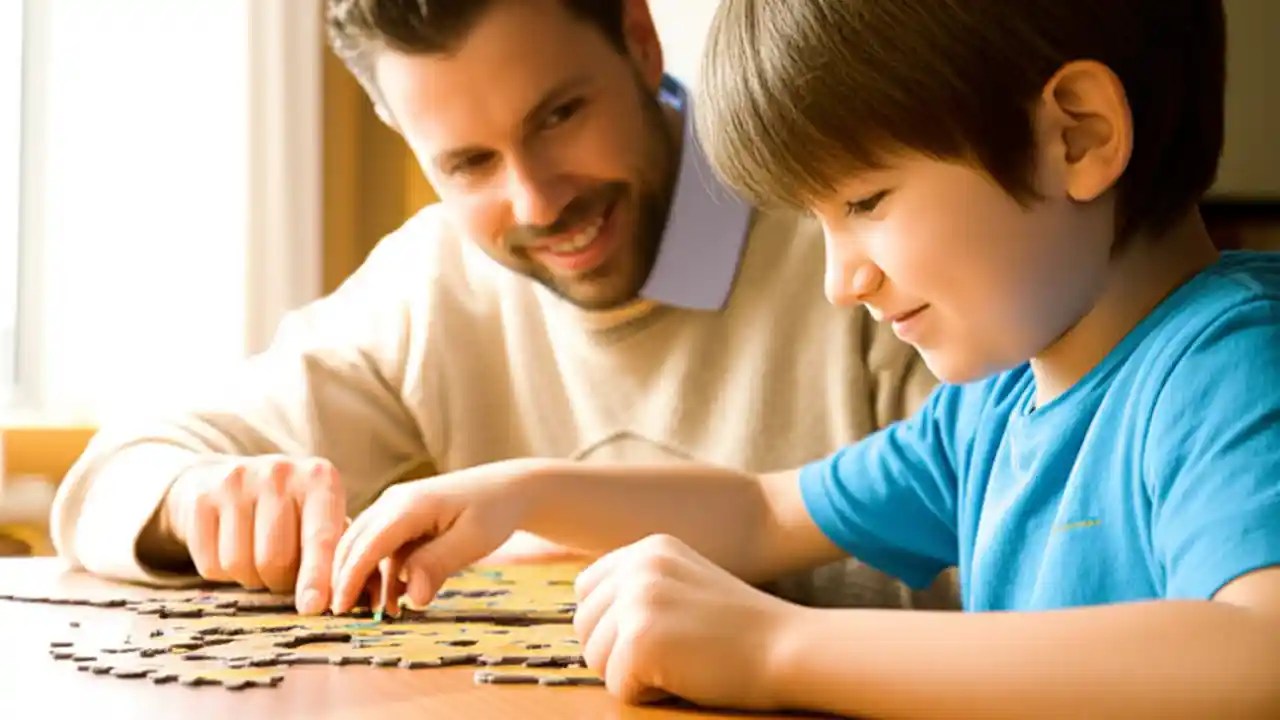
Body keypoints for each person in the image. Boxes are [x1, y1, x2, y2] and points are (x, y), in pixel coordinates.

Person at [327, 0, 1280, 717]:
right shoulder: (994, 410)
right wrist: (522, 494)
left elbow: (1260, 651)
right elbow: (764, 509)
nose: (840, 279)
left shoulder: (1229, 365)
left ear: (1077, 135)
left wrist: (779, 646)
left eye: (864, 202)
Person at [49, 0, 943, 618]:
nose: (536, 201)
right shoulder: (426, 288)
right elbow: (114, 475)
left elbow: (997, 572)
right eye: (468, 164)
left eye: (558, 117)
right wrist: (200, 499)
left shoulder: (860, 233)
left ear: (640, 40)